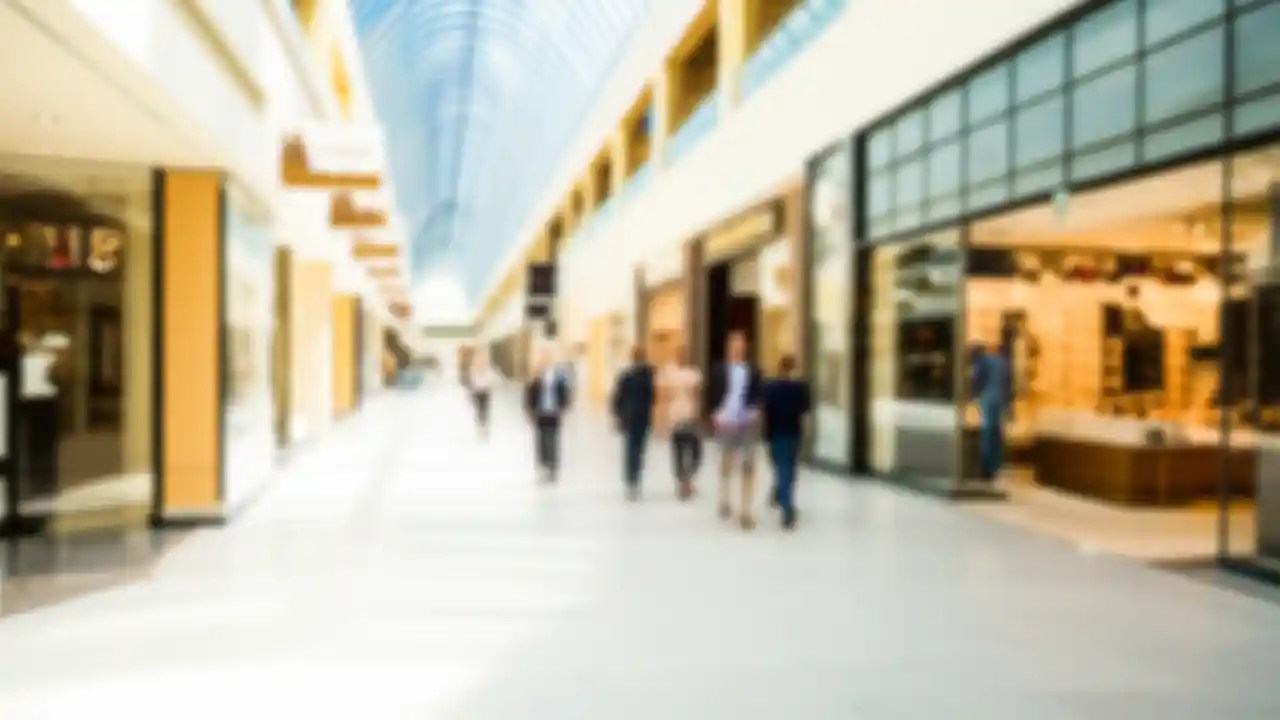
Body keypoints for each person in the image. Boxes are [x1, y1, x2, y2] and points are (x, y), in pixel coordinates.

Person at [707, 331, 764, 530]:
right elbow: (712, 393)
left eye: (741, 343)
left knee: (748, 465)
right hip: (726, 421)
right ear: (728, 346)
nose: (738, 347)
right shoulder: (719, 369)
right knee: (726, 461)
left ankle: (745, 510)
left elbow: (758, 394)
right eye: (734, 343)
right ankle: (724, 497)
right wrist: (715, 414)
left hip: (747, 421)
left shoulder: (754, 369)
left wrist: (756, 410)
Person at [762, 355, 811, 530]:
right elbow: (804, 415)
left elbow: (766, 413)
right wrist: (805, 435)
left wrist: (764, 436)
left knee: (781, 468)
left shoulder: (771, 388)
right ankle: (785, 501)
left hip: (776, 433)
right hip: (792, 433)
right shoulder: (800, 388)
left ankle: (784, 500)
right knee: (789, 469)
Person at [659, 345, 703, 501]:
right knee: (678, 452)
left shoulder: (695, 373)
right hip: (675, 418)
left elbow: (697, 396)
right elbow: (663, 396)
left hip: (690, 417)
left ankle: (687, 478)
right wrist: (661, 421)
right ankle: (683, 482)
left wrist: (698, 414)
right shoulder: (669, 372)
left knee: (695, 452)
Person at [611, 347, 655, 501]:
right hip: (636, 418)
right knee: (635, 449)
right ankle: (633, 479)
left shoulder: (640, 376)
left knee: (633, 449)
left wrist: (617, 415)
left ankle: (632, 479)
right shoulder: (641, 376)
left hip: (634, 418)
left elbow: (617, 398)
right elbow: (618, 397)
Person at [525, 353, 572, 483]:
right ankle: (543, 464)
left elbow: (565, 393)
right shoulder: (535, 377)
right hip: (540, 413)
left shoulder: (558, 377)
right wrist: (530, 410)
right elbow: (529, 394)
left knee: (553, 440)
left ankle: (553, 466)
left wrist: (563, 408)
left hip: (554, 412)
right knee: (541, 440)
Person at [971, 342, 1011, 483]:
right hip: (1001, 400)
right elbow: (1008, 383)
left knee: (987, 432)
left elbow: (976, 380)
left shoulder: (982, 362)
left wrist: (973, 395)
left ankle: (986, 468)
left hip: (987, 398)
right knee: (997, 432)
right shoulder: (1003, 362)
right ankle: (996, 466)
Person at [469, 352, 494, 439]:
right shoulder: (474, 369)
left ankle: (484, 428)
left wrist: (490, 391)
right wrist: (472, 392)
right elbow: (472, 382)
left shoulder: (487, 369)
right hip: (477, 392)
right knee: (479, 410)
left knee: (484, 410)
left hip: (485, 392)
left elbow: (490, 381)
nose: (481, 360)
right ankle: (480, 428)